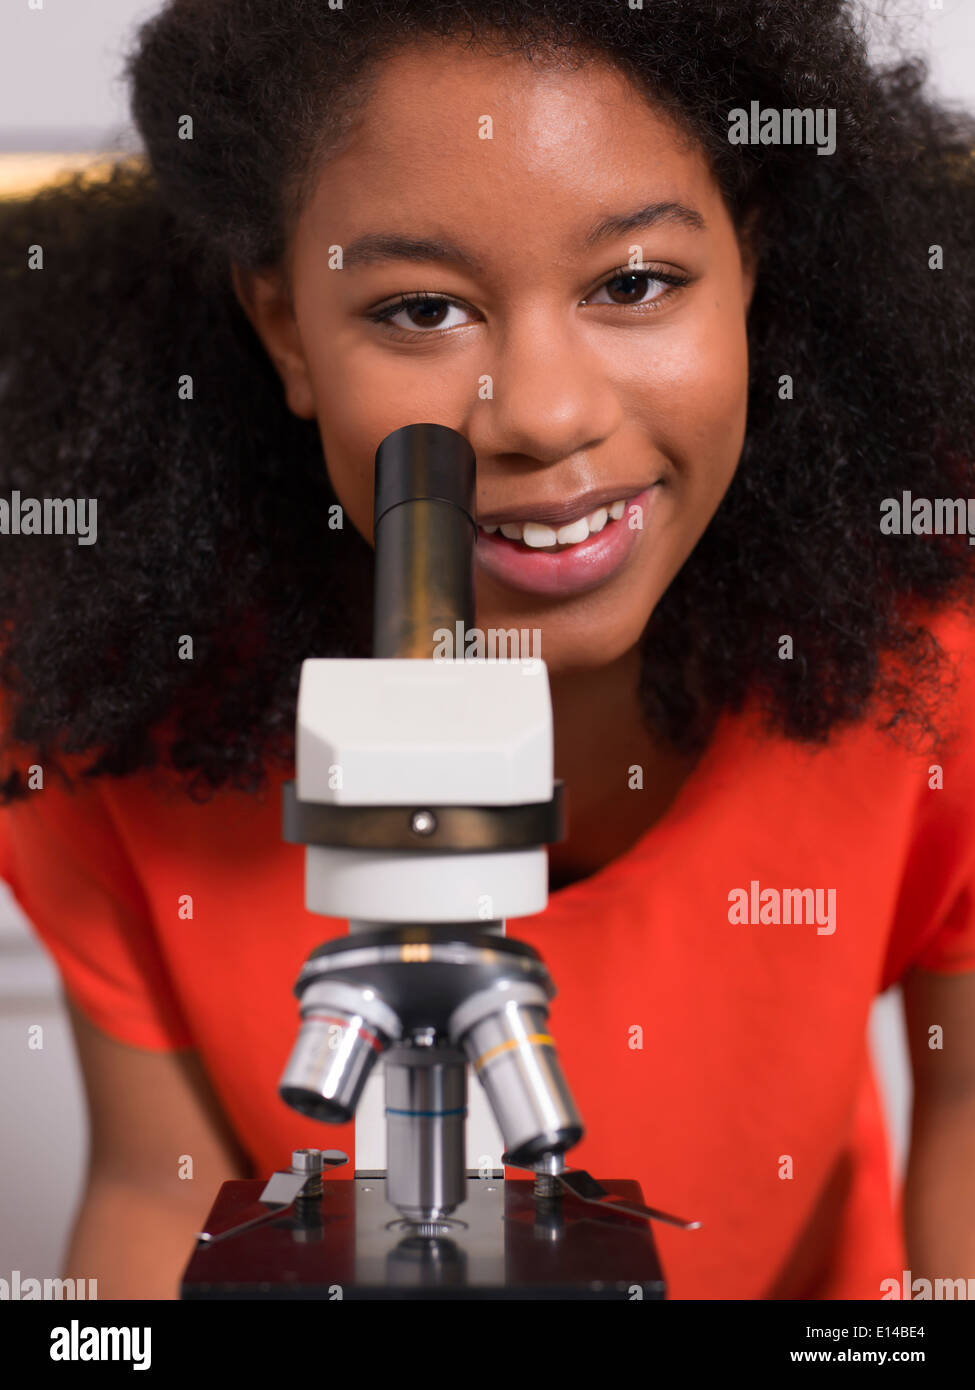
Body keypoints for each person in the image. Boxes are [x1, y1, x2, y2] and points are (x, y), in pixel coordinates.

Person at [1, 0, 974, 1301]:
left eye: (634, 282)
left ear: (753, 258)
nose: (543, 412)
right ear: (287, 325)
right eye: (419, 309)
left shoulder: (935, 655)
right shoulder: (99, 703)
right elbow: (151, 1185)